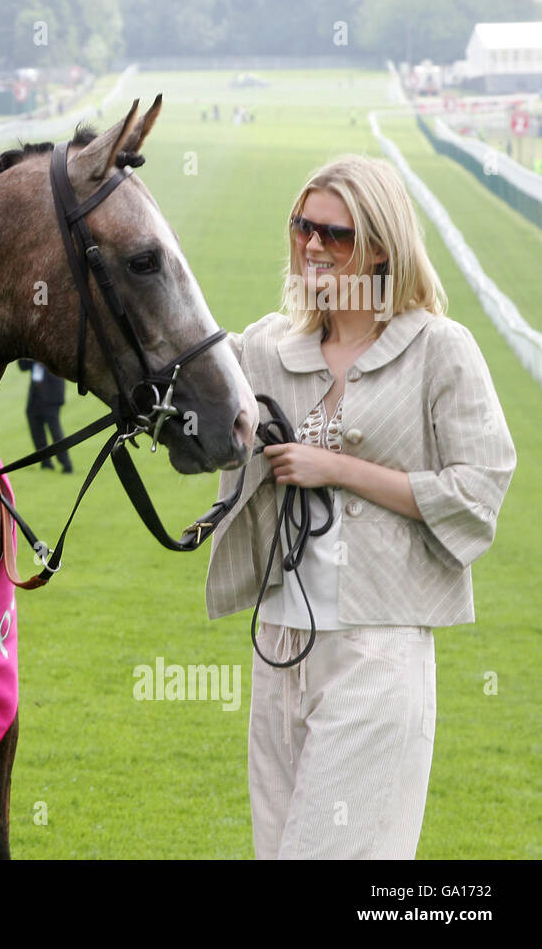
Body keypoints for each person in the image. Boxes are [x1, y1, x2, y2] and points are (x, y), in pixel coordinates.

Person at [205, 154, 516, 859]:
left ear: (380, 247)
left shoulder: (441, 350)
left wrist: (337, 469)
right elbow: (188, 387)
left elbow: (479, 490)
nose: (312, 246)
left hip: (379, 647)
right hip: (280, 644)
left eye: (335, 235)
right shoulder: (266, 349)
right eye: (303, 227)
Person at [16, 359, 71, 473]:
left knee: (55, 432)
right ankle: (45, 462)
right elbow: (22, 366)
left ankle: (66, 464)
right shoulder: (33, 355)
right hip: (35, 397)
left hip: (51, 396)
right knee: (36, 430)